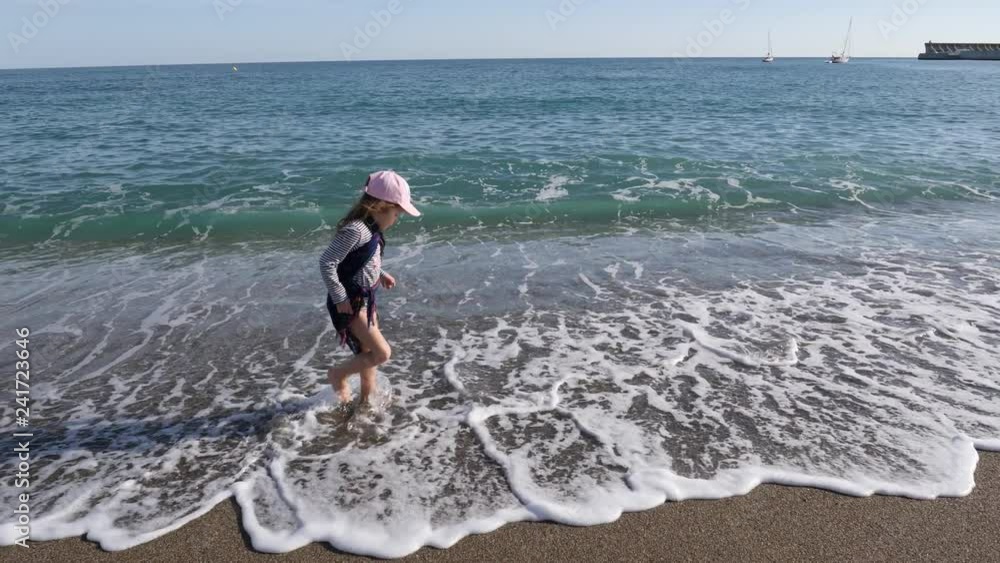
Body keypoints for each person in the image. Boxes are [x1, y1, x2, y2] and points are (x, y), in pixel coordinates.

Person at [319, 170, 420, 404]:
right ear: (381, 207)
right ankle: (338, 374)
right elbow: (327, 262)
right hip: (349, 302)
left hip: (366, 299)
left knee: (367, 354)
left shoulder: (371, 230)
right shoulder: (357, 230)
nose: (396, 220)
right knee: (382, 353)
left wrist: (381, 273)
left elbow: (360, 259)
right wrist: (340, 298)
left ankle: (365, 401)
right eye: (396, 213)